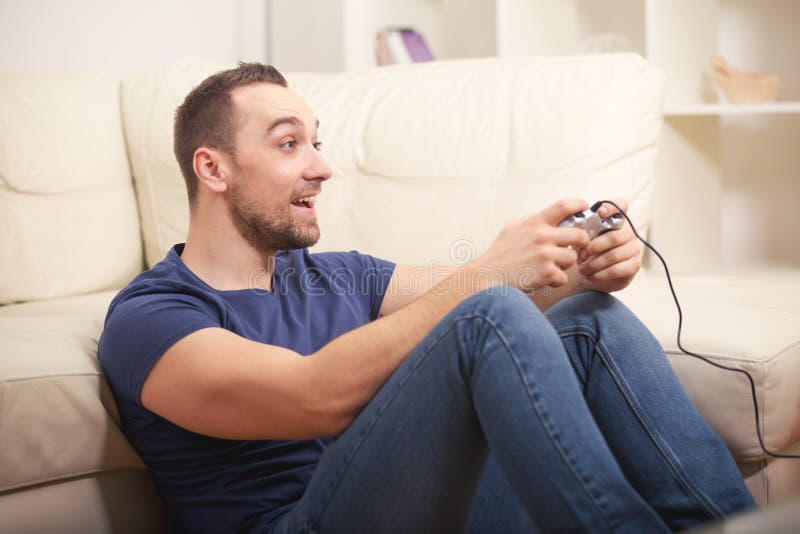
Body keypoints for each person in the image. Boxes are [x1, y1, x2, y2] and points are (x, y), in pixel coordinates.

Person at [98, 62, 756, 534]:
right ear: (212, 168)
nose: (322, 166)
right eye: (289, 144)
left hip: (420, 509)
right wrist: (490, 274)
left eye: (318, 142)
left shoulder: (340, 275)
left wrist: (588, 268)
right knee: (487, 310)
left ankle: (730, 524)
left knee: (587, 321)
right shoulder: (152, 315)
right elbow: (311, 396)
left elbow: (487, 297)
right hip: (295, 523)